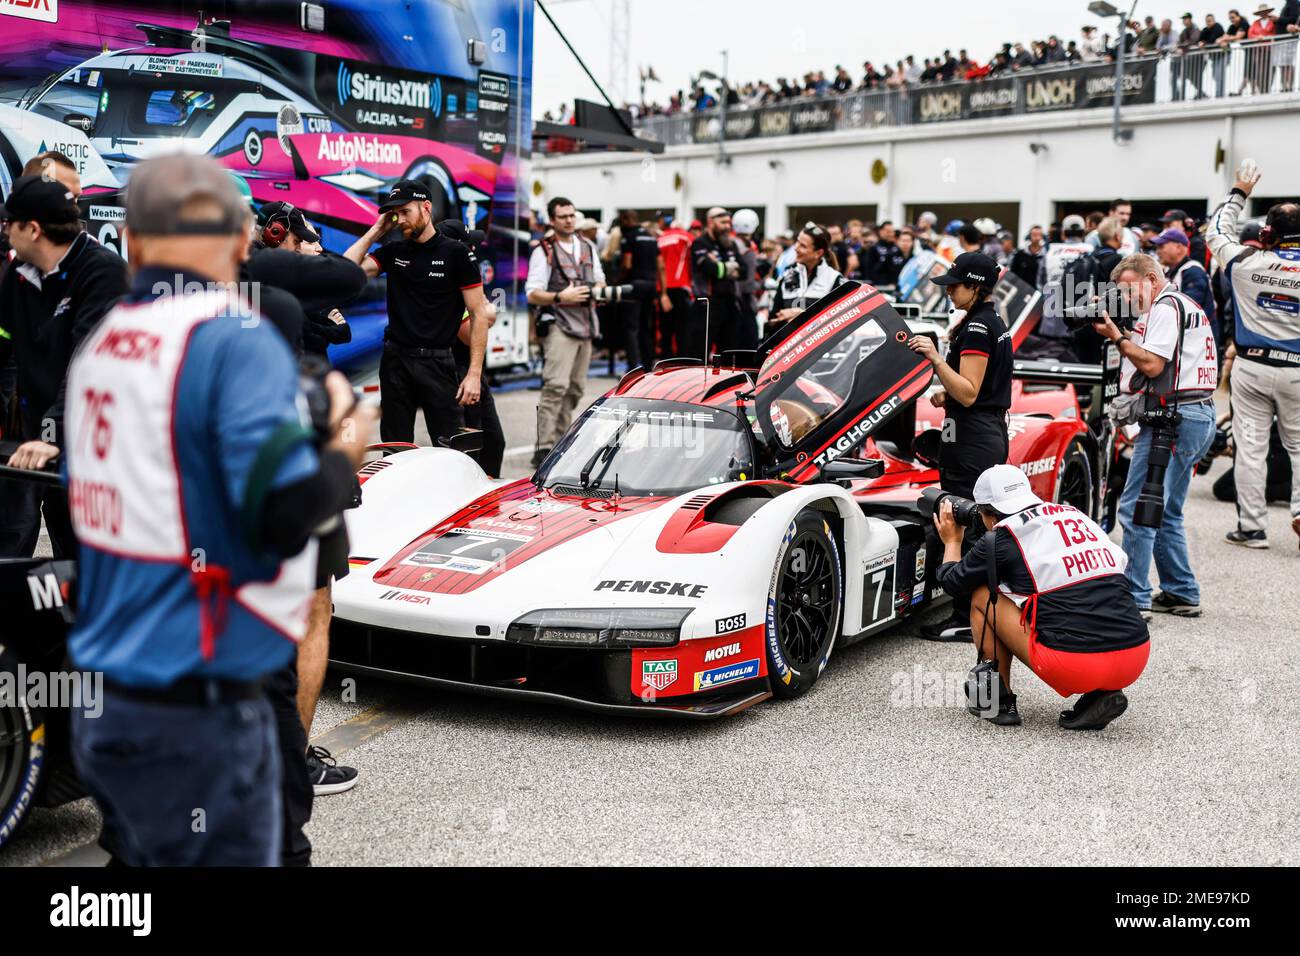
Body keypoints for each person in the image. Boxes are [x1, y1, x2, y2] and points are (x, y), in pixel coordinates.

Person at [64, 154, 375, 866]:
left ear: (133, 243)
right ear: (242, 241)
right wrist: (345, 443)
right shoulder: (232, 339)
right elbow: (281, 515)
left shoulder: (103, 342)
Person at [934, 465, 1150, 729]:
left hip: (1076, 665)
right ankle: (1101, 693)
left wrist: (952, 541)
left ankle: (994, 700)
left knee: (982, 594)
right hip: (1135, 655)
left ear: (987, 515)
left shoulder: (1003, 536)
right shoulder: (1075, 516)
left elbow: (953, 582)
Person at [0, 174, 128, 558]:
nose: (4, 232)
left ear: (33, 229)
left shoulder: (102, 272)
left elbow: (88, 364)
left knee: (85, 561)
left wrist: (51, 435)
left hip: (96, 444)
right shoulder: (20, 276)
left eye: (10, 224)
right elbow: (3, 342)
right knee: (21, 551)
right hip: (37, 435)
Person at [1093, 253, 1217, 617]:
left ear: (1150, 277)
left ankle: (1134, 595)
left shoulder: (1164, 307)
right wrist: (1126, 333)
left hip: (1175, 418)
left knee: (1137, 508)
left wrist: (1118, 337)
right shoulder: (1183, 303)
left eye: (1130, 289)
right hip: (1195, 412)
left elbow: (1151, 363)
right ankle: (1181, 590)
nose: (1129, 299)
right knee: (1168, 510)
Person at [909, 252, 1013, 642]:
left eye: (956, 284)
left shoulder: (977, 328)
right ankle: (971, 611)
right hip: (979, 432)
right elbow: (972, 390)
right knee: (972, 519)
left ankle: (964, 618)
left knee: (967, 524)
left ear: (977, 287)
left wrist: (935, 358)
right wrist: (945, 395)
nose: (949, 290)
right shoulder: (988, 320)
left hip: (973, 438)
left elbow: (969, 393)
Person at [344, 180, 489, 446]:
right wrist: (377, 230)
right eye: (394, 214)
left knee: (450, 449)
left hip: (437, 363)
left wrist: (474, 374)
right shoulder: (394, 251)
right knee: (395, 448)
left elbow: (478, 314)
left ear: (426, 207)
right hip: (395, 362)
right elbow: (346, 269)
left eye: (405, 211)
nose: (399, 219)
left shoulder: (455, 253)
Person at [1207, 161, 1300, 549]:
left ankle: (1252, 528)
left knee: (1250, 448)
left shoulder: (1245, 261)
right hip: (1297, 369)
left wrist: (1240, 191)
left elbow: (1214, 231)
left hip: (1251, 366)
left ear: (1267, 232)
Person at [525, 196, 605, 465]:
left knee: (575, 389)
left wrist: (601, 291)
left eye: (572, 215)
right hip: (559, 322)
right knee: (555, 386)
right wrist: (561, 296)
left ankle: (560, 442)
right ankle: (544, 446)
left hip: (586, 323)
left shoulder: (588, 246)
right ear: (552, 220)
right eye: (563, 216)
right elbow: (532, 293)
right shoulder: (543, 250)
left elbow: (600, 280)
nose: (569, 220)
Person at [436, 218, 505, 477]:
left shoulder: (466, 280)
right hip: (459, 375)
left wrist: (484, 312)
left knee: (493, 443)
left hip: (472, 373)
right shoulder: (450, 284)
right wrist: (484, 311)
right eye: (470, 245)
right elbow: (471, 332)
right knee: (469, 451)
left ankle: (486, 498)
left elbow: (488, 316)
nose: (475, 250)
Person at [689, 207, 745, 357]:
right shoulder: (700, 243)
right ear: (711, 222)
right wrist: (730, 267)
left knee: (729, 352)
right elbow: (710, 270)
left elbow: (744, 271)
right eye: (723, 222)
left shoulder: (730, 244)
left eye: (729, 223)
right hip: (707, 304)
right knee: (700, 352)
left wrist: (722, 267)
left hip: (730, 303)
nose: (728, 226)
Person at [769, 223, 845, 332]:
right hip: (788, 346)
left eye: (803, 246)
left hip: (819, 347)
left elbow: (838, 321)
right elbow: (773, 318)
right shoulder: (788, 275)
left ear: (818, 253)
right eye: (797, 242)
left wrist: (800, 314)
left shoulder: (834, 279)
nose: (796, 248)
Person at [1153, 227, 1219, 348]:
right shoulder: (1170, 272)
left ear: (1178, 247)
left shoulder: (1192, 271)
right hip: (1187, 340)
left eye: (1161, 246)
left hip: (1199, 344)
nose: (1158, 251)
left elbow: (1187, 308)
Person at [617, 209, 665, 369]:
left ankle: (633, 367)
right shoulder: (651, 238)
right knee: (647, 327)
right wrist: (663, 291)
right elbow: (661, 266)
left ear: (625, 219)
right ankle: (647, 365)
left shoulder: (628, 238)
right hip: (651, 285)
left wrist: (618, 280)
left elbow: (627, 264)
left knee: (631, 328)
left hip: (634, 285)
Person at [1038, 214, 1093, 343]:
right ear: (1083, 233)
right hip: (1082, 323)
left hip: (1052, 323)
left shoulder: (1050, 253)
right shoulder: (1091, 252)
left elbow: (1040, 284)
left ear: (1063, 233)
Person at [656, 213, 694, 357]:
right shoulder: (686, 237)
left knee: (665, 329)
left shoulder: (659, 239)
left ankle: (665, 361)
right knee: (683, 329)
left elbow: (658, 266)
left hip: (663, 288)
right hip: (681, 286)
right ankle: (683, 361)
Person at [860, 220, 905, 292]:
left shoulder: (897, 249)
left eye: (892, 231)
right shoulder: (874, 248)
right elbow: (870, 271)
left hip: (897, 287)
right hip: (880, 288)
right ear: (881, 232)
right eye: (888, 231)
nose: (891, 234)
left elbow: (901, 267)